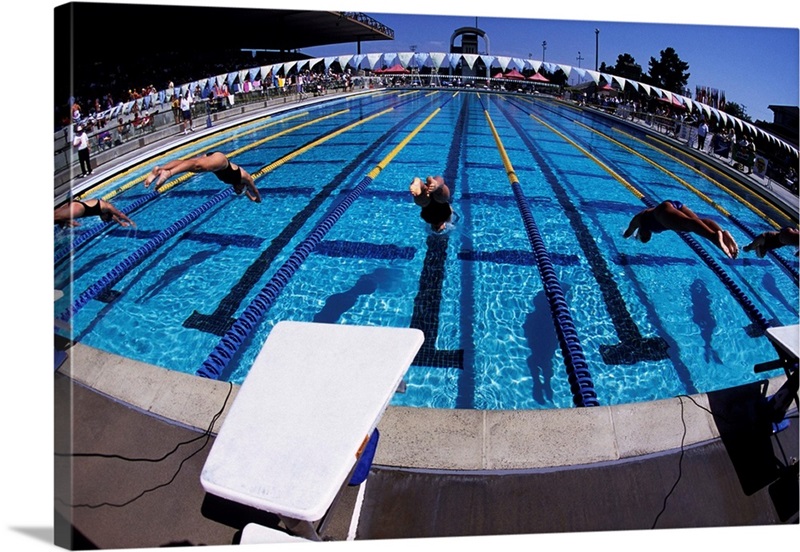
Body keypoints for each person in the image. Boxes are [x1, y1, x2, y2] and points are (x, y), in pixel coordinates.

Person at [623, 200, 739, 259]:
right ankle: (721, 233)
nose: (647, 237)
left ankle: (714, 237)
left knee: (689, 225)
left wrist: (624, 237)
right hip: (674, 205)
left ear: (641, 231)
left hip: (662, 212)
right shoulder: (644, 222)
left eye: (644, 237)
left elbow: (628, 231)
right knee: (698, 222)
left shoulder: (638, 220)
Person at [143, 151, 262, 203]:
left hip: (215, 163)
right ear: (243, 186)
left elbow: (244, 191)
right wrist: (255, 198)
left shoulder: (237, 183)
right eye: (239, 190)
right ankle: (168, 174)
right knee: (197, 165)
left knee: (188, 165)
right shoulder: (245, 177)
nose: (236, 189)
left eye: (236, 191)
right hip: (221, 161)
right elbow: (254, 189)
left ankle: (160, 170)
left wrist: (248, 197)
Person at [54, 199, 135, 227]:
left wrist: (120, 223)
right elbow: (119, 214)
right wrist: (130, 221)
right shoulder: (107, 207)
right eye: (105, 219)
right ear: (106, 215)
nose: (103, 220)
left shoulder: (104, 209)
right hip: (79, 209)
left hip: (76, 205)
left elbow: (113, 216)